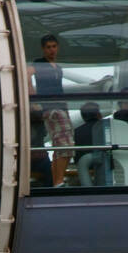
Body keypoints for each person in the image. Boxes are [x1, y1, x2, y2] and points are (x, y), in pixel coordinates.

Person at [28, 33, 74, 187]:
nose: (52, 50)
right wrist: (33, 98)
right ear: (43, 49)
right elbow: (26, 73)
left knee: (63, 143)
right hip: (51, 108)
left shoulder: (57, 67)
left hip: (59, 107)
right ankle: (58, 180)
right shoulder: (39, 63)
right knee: (64, 144)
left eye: (54, 47)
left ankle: (57, 180)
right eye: (48, 47)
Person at [74, 101, 111, 187]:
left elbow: (77, 158)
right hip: (107, 166)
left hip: (86, 169)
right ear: (98, 114)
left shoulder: (78, 131)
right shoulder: (107, 129)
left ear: (83, 117)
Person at [29, 103, 53, 188]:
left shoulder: (29, 124)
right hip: (38, 158)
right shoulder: (40, 124)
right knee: (50, 171)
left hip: (31, 159)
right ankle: (49, 191)